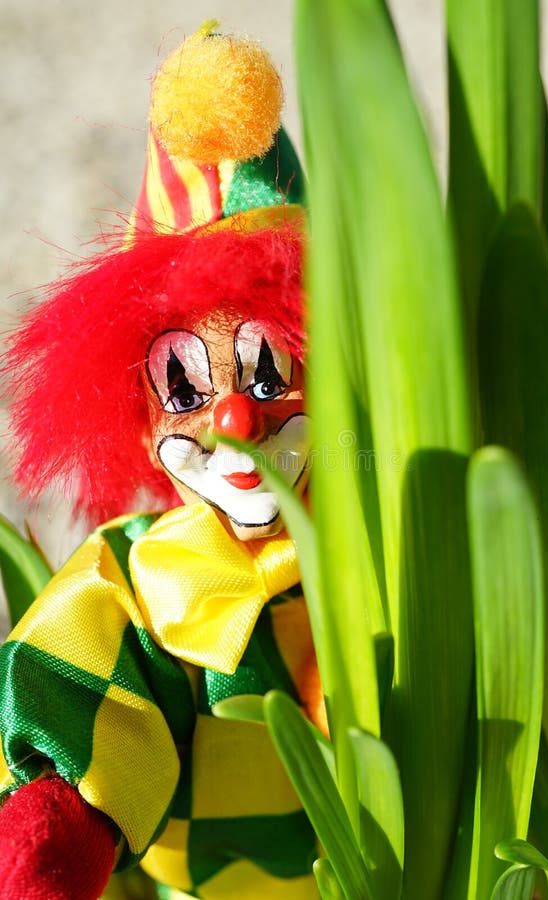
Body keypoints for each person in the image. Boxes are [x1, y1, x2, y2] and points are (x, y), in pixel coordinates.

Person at [0, 23, 323, 900]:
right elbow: (87, 685)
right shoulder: (148, 576)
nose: (234, 415)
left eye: (273, 370)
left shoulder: (395, 540)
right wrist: (60, 826)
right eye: (184, 383)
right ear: (136, 419)